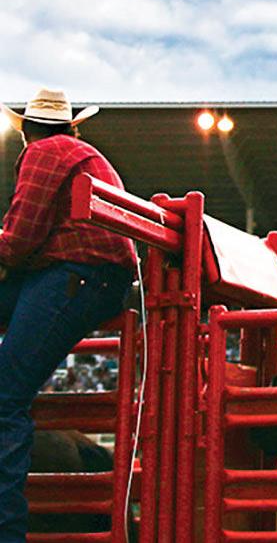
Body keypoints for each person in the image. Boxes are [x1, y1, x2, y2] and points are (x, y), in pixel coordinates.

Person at [0, 88, 136, 542]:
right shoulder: (80, 152)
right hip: (87, 274)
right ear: (71, 124)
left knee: (5, 400)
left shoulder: (43, 153)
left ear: (25, 129)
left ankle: (7, 531)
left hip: (75, 274)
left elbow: (18, 239)